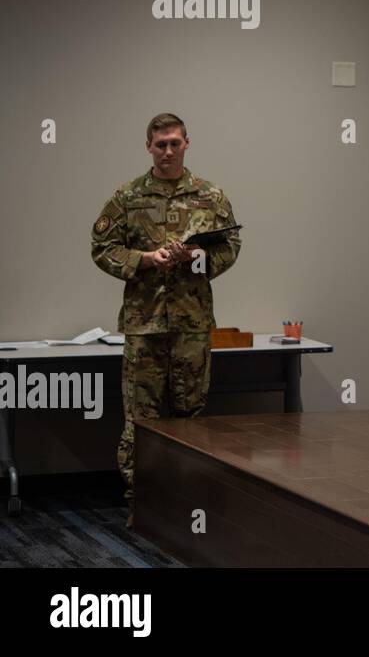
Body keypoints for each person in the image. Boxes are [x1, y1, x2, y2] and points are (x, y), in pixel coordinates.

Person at [91, 113, 241, 526]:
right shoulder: (128, 196)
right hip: (145, 325)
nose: (169, 151)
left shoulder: (210, 195)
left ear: (187, 143)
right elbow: (102, 247)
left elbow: (230, 247)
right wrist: (144, 259)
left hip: (192, 324)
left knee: (191, 416)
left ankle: (189, 503)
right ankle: (143, 503)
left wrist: (199, 259)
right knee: (142, 418)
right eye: (161, 145)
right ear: (149, 147)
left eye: (175, 143)